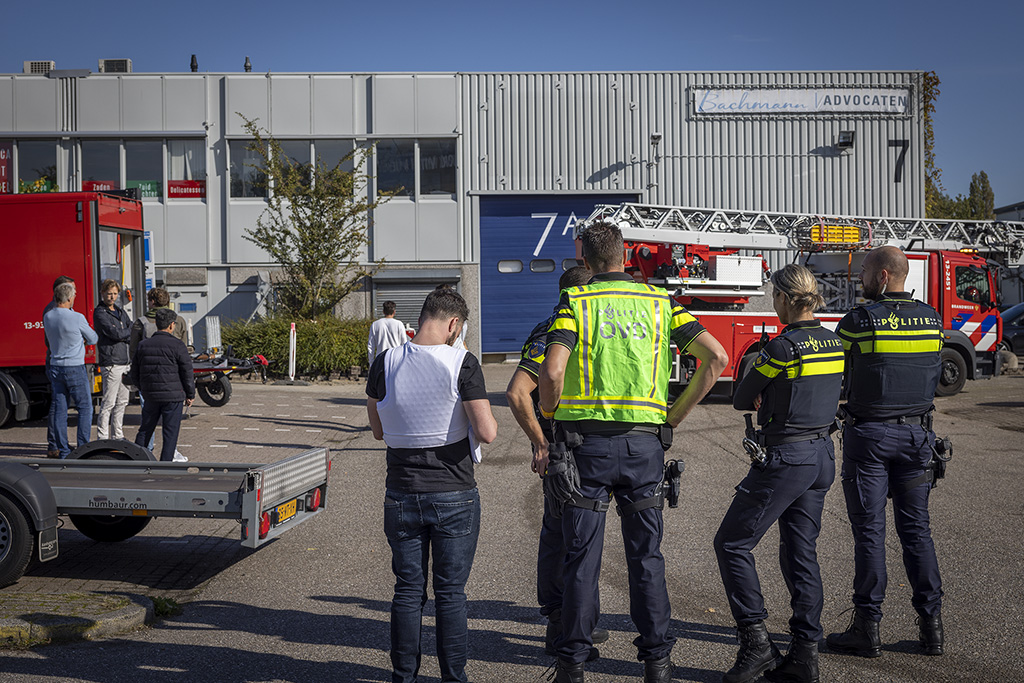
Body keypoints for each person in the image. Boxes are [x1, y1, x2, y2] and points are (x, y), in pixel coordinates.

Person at [538, 220, 729, 683]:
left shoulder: (576, 301)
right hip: (645, 447)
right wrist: (672, 418)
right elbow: (717, 359)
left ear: (585, 261)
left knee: (581, 559)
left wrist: (550, 413)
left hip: (585, 448)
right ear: (625, 255)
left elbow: (553, 371)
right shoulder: (662, 302)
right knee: (647, 557)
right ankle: (657, 662)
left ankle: (572, 665)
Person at [714, 264, 845, 683]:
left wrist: (766, 393)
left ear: (786, 299)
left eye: (774, 296)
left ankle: (757, 644)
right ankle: (805, 656)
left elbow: (741, 397)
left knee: (731, 544)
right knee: (801, 552)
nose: (774, 303)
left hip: (787, 457)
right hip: (822, 455)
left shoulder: (782, 348)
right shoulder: (834, 342)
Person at [366, 286, 497, 683]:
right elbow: (487, 432)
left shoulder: (385, 362)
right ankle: (453, 678)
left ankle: (403, 676)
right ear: (454, 324)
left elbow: (378, 430)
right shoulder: (462, 362)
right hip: (453, 491)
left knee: (407, 591)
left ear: (422, 317)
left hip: (401, 491)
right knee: (450, 593)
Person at [826, 245, 946, 658]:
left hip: (870, 440)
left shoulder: (860, 321)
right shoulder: (932, 320)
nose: (859, 278)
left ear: (882, 276)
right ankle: (932, 628)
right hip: (918, 438)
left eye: (863, 271)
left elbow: (832, 368)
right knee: (917, 532)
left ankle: (867, 628)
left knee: (870, 533)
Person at [505, 265, 610, 659]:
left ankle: (578, 621)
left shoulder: (580, 327)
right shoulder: (552, 331)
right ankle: (562, 626)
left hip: (585, 448)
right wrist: (542, 443)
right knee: (567, 538)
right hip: (565, 453)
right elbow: (518, 393)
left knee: (576, 538)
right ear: (576, 295)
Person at [130, 308, 195, 463]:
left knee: (145, 429)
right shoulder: (178, 345)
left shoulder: (143, 345)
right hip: (173, 396)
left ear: (156, 324)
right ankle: (165, 465)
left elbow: (135, 372)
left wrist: (143, 388)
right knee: (170, 434)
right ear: (172, 325)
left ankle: (136, 460)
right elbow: (187, 372)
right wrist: (190, 394)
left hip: (151, 395)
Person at [43, 281, 98, 459]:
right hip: (74, 366)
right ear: (68, 298)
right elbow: (93, 338)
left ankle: (63, 450)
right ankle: (83, 448)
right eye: (73, 295)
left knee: (60, 409)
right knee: (85, 407)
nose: (74, 298)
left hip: (56, 366)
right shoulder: (77, 317)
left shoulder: (48, 316)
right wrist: (81, 340)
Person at [93, 279, 132, 440]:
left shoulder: (120, 311)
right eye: (109, 293)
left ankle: (118, 435)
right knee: (109, 402)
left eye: (115, 294)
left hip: (124, 361)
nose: (112, 297)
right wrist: (124, 333)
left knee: (122, 401)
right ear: (102, 293)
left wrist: (123, 334)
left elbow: (132, 328)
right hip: (111, 362)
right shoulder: (100, 313)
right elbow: (114, 333)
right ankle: (102, 437)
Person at [44, 275, 75, 458]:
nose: (74, 293)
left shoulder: (62, 309)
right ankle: (54, 445)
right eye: (71, 288)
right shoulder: (53, 310)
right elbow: (51, 340)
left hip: (59, 360)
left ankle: (58, 443)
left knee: (60, 404)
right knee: (58, 404)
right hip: (58, 361)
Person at [367, 300, 408, 365]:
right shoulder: (399, 324)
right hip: (395, 359)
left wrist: (371, 363)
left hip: (380, 360)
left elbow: (371, 346)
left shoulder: (375, 324)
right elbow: (404, 344)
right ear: (394, 312)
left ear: (383, 311)